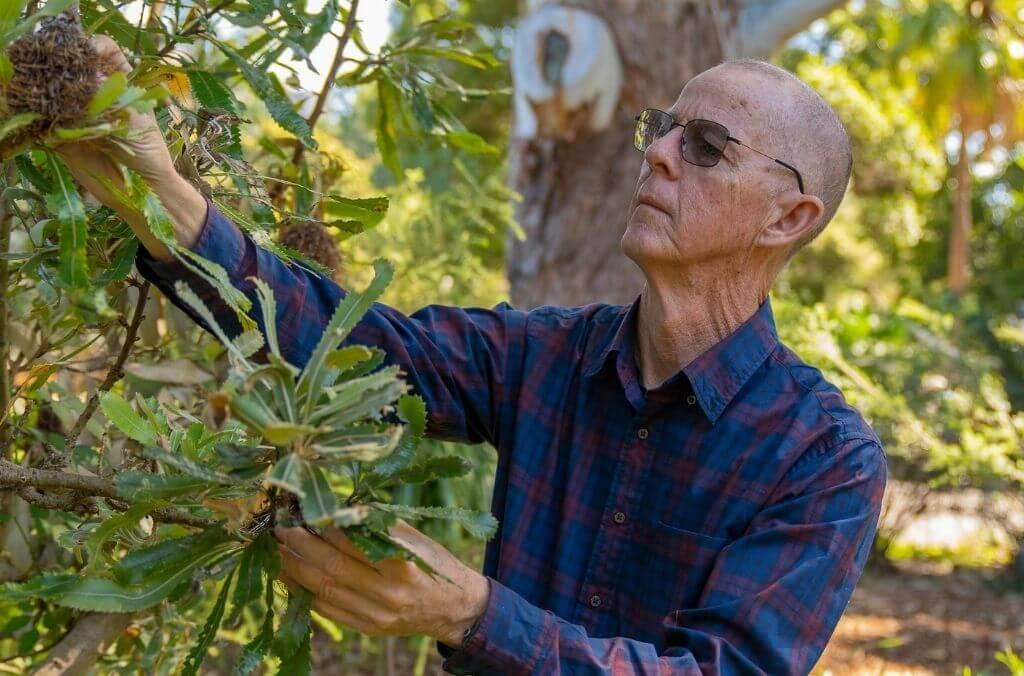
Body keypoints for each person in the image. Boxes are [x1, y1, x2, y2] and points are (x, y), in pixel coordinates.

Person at [63, 36, 886, 676]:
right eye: (661, 129)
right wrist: (156, 192)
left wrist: (474, 615)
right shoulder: (547, 356)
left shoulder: (825, 461)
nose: (658, 153)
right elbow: (352, 348)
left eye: (705, 145)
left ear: (788, 219)